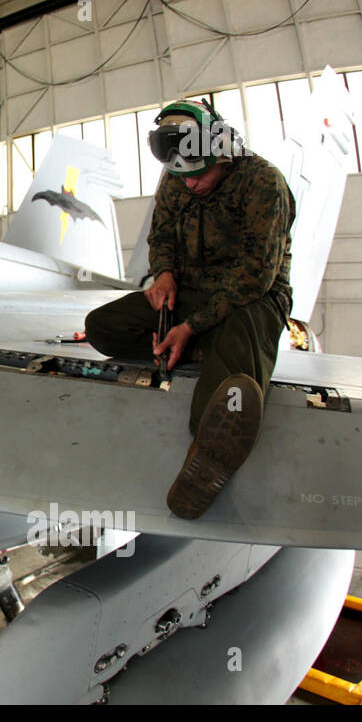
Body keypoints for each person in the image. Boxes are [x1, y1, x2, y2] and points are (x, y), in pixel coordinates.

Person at [84, 99, 295, 519]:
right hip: (191, 291)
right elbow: (161, 235)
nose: (191, 185)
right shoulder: (179, 174)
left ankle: (209, 457)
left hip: (252, 299)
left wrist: (190, 325)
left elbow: (256, 274)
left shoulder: (263, 181)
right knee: (102, 328)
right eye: (183, 176)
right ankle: (207, 347)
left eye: (200, 175)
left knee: (231, 384)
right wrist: (162, 275)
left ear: (221, 152)